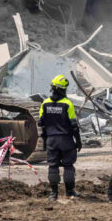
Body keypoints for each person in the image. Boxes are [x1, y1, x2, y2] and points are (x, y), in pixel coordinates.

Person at [38, 74, 81, 202]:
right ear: (62, 89)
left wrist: (45, 141)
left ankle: (53, 194)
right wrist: (78, 141)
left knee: (53, 166)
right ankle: (69, 192)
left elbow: (41, 124)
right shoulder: (68, 104)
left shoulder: (45, 104)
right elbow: (74, 126)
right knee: (68, 166)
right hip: (66, 140)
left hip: (51, 140)